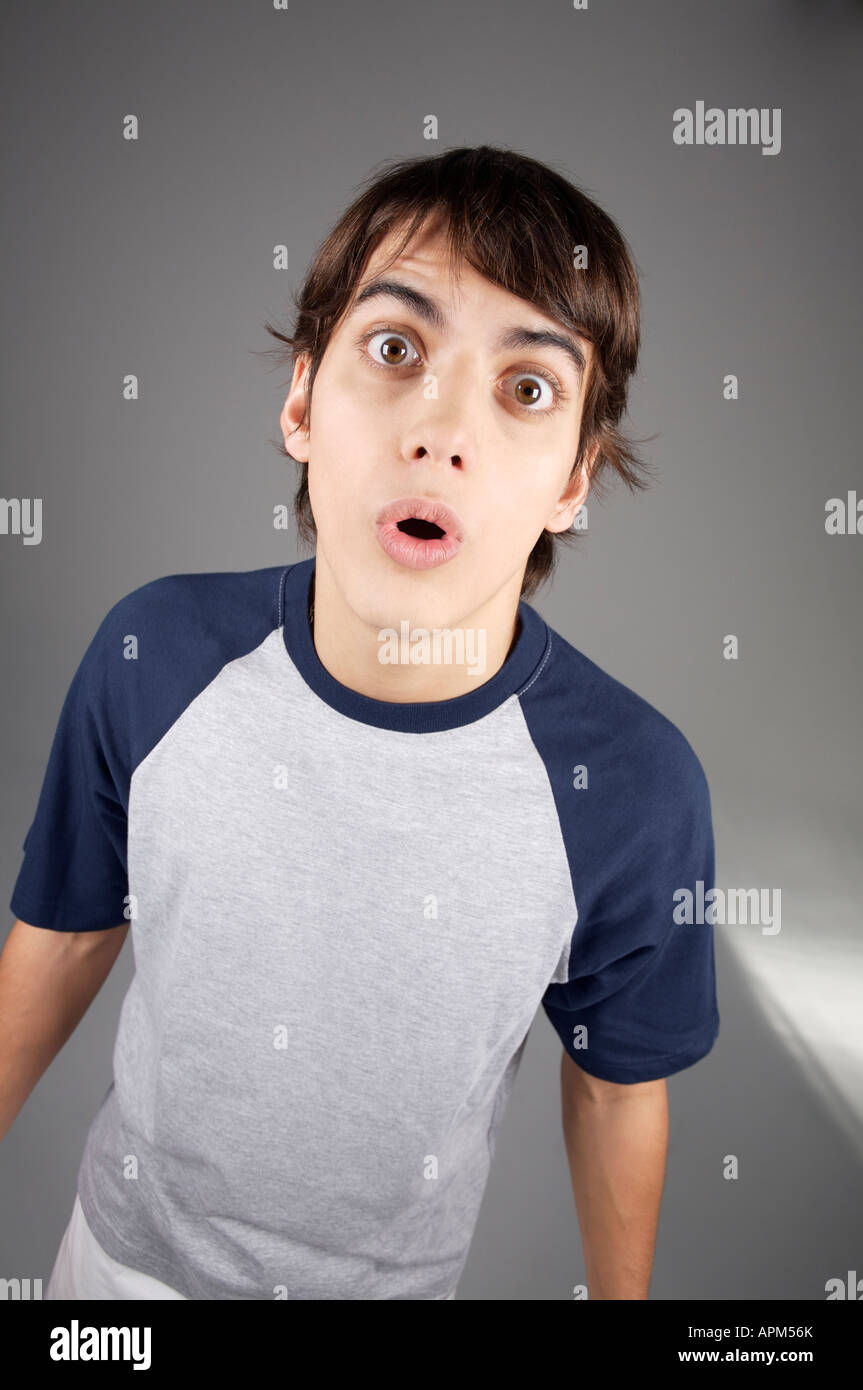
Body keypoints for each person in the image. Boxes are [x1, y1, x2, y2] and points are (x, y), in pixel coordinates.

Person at [1, 145, 719, 1300]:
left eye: (525, 387)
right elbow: (68, 934)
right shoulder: (155, 654)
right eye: (396, 350)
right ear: (300, 398)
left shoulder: (632, 785)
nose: (440, 430)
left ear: (573, 481)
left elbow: (615, 1084)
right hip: (111, 1280)